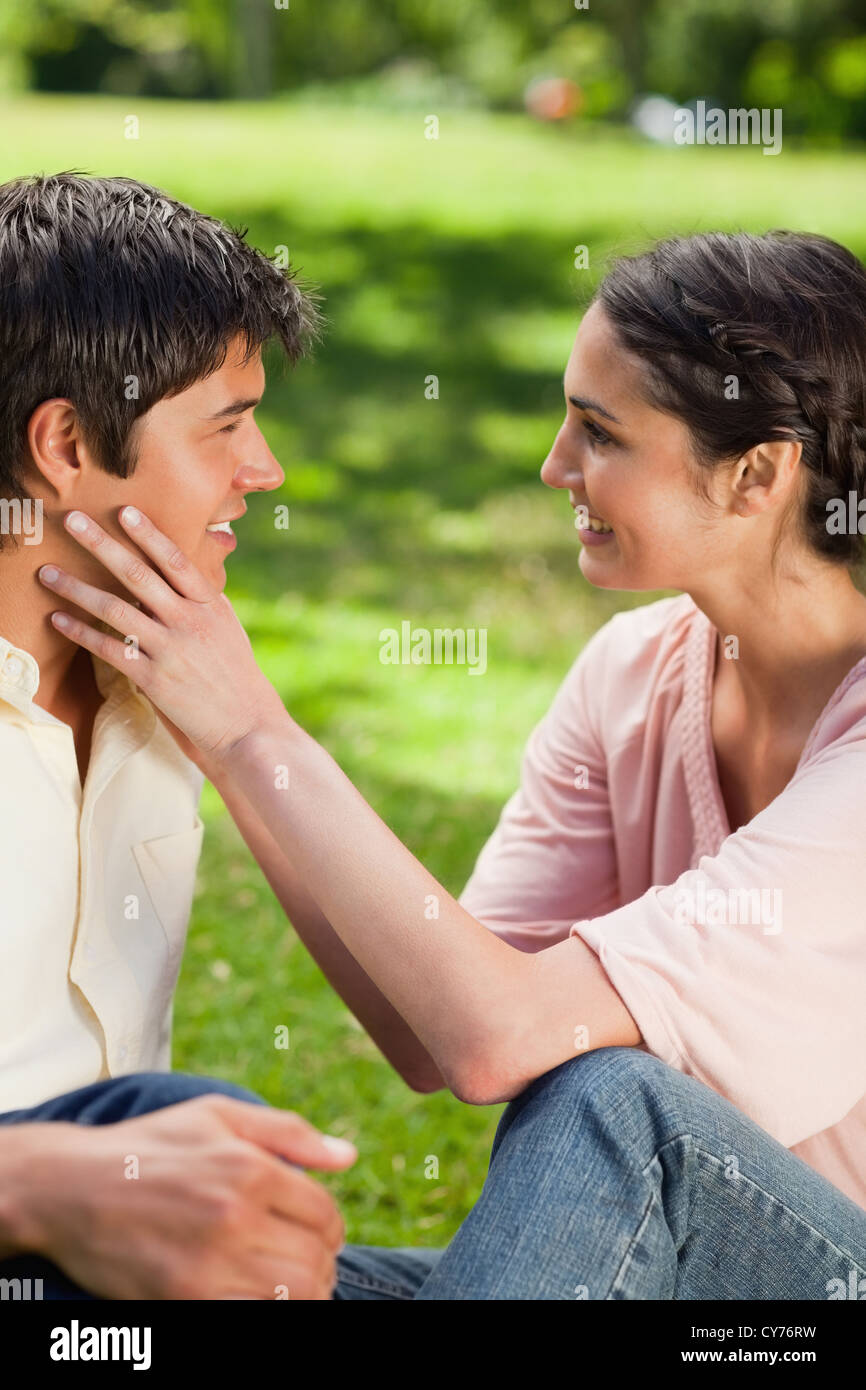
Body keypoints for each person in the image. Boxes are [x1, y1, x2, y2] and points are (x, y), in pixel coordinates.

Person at [38, 227, 866, 1299]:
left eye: (599, 434)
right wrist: (221, 741)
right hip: (654, 1276)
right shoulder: (631, 675)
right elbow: (432, 1023)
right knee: (181, 1274)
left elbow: (500, 1036)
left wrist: (252, 726)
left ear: (753, 472)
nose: (553, 467)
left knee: (614, 1103)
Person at [0, 170, 444, 1301]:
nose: (266, 472)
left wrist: (254, 733)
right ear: (63, 447)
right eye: (226, 429)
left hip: (124, 1287)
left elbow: (437, 1035)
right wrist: (50, 1182)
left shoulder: (168, 682)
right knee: (173, 1122)